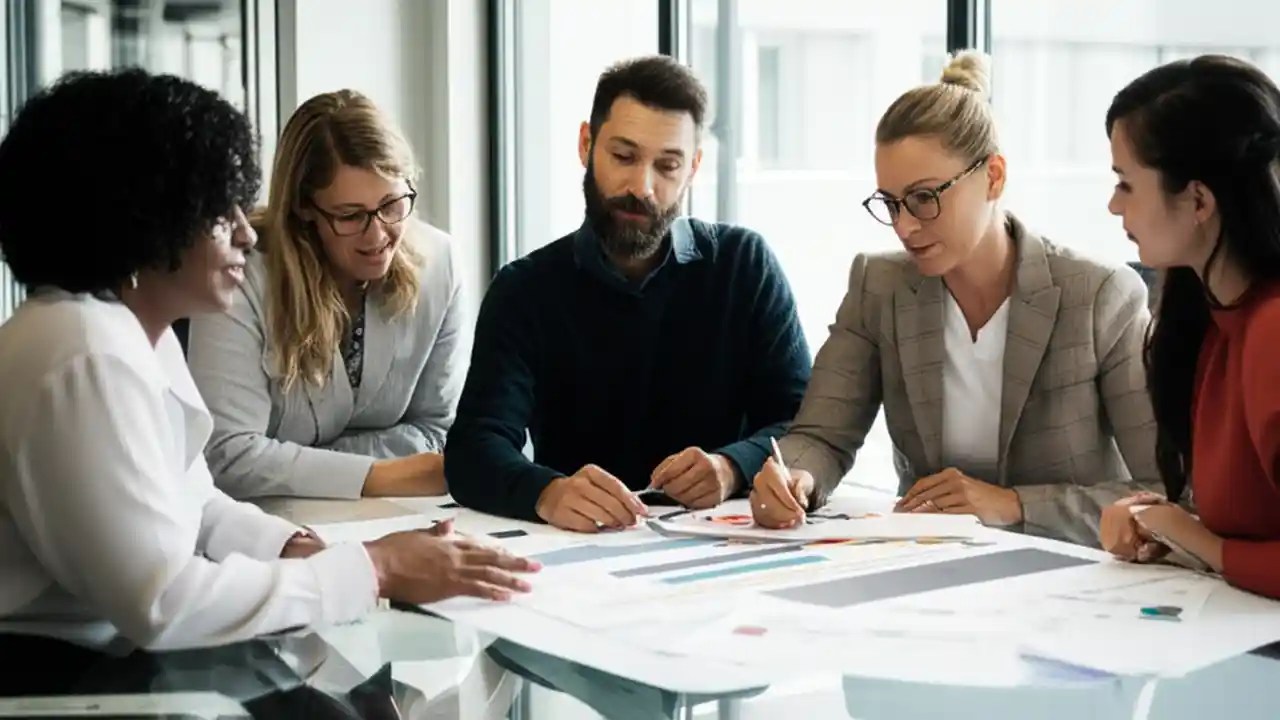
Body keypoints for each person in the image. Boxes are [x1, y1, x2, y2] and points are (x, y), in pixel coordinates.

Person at [0, 69, 535, 651]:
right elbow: (162, 605)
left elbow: (196, 503)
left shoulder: (124, 331)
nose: (246, 234)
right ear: (143, 225)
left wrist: (300, 547)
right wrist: (375, 569)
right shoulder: (85, 355)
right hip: (52, 671)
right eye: (216, 213)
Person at [750, 51, 1160, 547]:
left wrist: (1011, 505)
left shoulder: (1099, 295)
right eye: (890, 203)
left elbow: (1162, 491)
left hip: (1070, 572)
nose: (904, 225)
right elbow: (820, 437)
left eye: (925, 198)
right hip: (932, 565)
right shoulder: (878, 285)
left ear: (993, 178)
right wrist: (796, 478)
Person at [445, 55, 811, 530]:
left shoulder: (744, 264)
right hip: (579, 549)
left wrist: (732, 465)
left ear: (693, 168)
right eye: (623, 156)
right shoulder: (525, 289)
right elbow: (474, 449)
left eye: (667, 165)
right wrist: (547, 493)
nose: (642, 186)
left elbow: (804, 424)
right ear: (586, 144)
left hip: (724, 541)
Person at [187, 90, 465, 499]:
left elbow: (438, 434)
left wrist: (291, 459)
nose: (378, 235)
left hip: (400, 513)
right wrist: (378, 474)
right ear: (303, 208)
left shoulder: (439, 261)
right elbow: (227, 455)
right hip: (268, 524)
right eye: (350, 215)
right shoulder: (240, 274)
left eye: (391, 205)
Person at [1099, 55, 1280, 599]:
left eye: (1126, 184)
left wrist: (1196, 539)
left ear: (1198, 199)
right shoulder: (1207, 317)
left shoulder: (1271, 331)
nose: (1113, 205)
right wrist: (1165, 524)